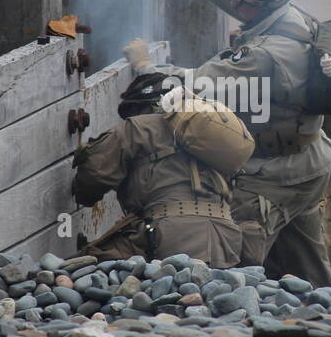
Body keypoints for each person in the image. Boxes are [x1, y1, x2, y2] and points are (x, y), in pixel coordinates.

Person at [109, 0, 331, 288]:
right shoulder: (283, 11)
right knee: (306, 266)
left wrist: (145, 66)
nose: (232, 5)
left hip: (275, 176)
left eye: (239, 3)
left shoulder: (266, 55)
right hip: (308, 162)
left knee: (228, 245)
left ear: (250, 4)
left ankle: (231, 313)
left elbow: (191, 85)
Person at [73, 71, 247, 269]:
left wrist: (80, 192)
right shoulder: (206, 134)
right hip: (225, 237)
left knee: (86, 268)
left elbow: (92, 178)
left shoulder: (137, 127)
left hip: (167, 234)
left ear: (142, 106)